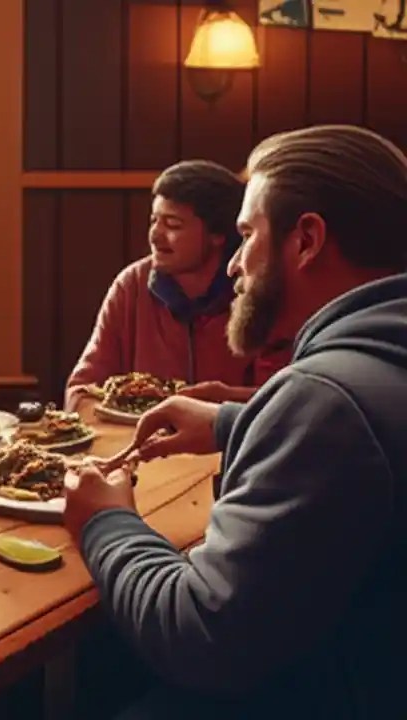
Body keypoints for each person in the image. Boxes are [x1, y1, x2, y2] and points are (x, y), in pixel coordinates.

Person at [64, 125, 407, 718]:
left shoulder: (324, 400)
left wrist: (106, 521)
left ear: (306, 240)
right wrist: (235, 421)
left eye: (247, 235)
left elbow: (202, 637)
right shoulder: (371, 371)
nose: (234, 267)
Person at [64, 160, 292, 409]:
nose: (155, 235)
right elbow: (82, 390)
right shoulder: (132, 286)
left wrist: (217, 403)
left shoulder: (255, 289)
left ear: (218, 235)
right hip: (140, 434)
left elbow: (282, 402)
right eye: (154, 221)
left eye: (173, 224)